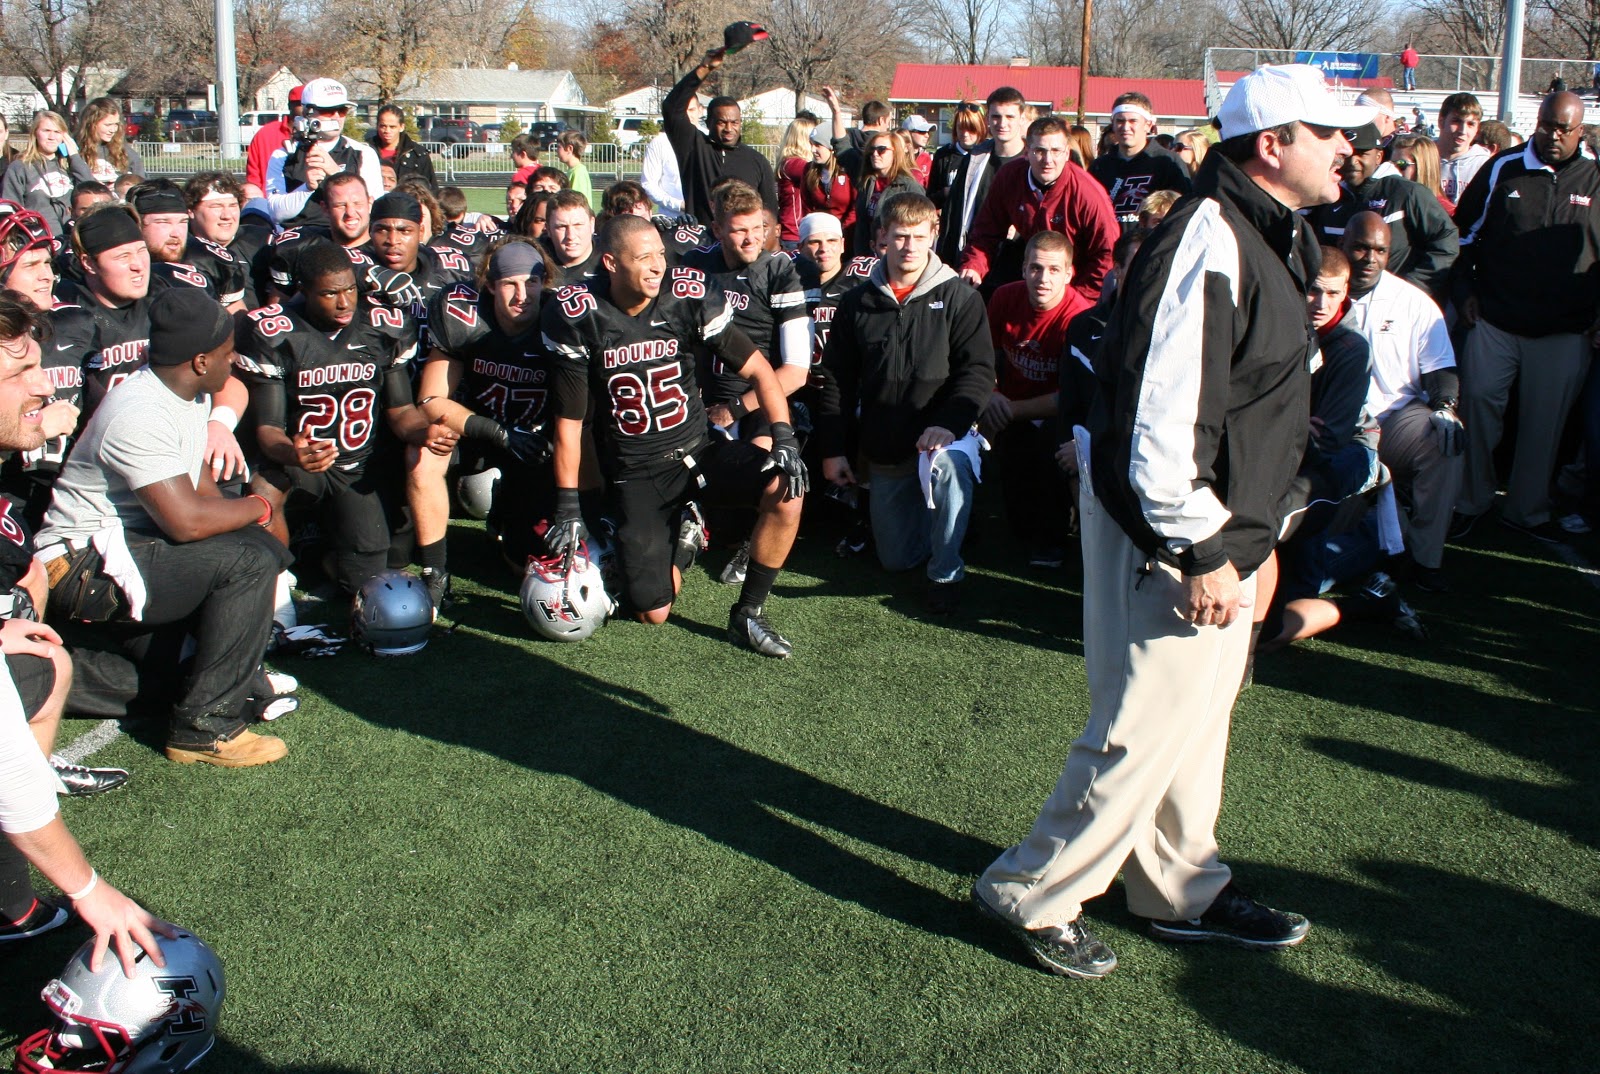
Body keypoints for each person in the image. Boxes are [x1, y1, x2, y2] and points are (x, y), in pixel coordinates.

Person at [973, 64, 1372, 979]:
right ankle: (1028, 893)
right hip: (1171, 529)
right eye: (1329, 130)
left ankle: (1176, 885)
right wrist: (1198, 548)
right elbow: (1161, 416)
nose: (1347, 146)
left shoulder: (1268, 232)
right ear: (1272, 145)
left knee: (1195, 722)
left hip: (1214, 530)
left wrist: (1253, 535)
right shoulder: (1210, 235)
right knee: (1141, 724)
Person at [36, 288, 295, 766]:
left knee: (184, 677)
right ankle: (205, 729)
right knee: (250, 560)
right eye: (226, 354)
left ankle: (42, 677)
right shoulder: (140, 411)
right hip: (79, 564)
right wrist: (261, 507)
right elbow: (188, 522)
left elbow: (203, 498)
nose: (233, 361)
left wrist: (251, 528)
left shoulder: (187, 395)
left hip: (129, 549)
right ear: (199, 361)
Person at [541, 213, 808, 657]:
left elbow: (760, 369)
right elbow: (570, 423)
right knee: (653, 612)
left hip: (699, 449)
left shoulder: (685, 296)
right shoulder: (577, 313)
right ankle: (688, 535)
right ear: (610, 262)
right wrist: (568, 505)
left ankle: (748, 614)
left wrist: (782, 437)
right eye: (643, 257)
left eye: (660, 254)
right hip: (637, 471)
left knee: (788, 489)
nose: (657, 266)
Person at [818, 193, 995, 614]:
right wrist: (833, 449)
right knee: (895, 559)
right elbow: (835, 379)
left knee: (949, 467)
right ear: (882, 237)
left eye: (919, 236)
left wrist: (950, 424)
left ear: (934, 235)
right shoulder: (856, 302)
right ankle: (943, 526)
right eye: (900, 236)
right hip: (887, 444)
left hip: (945, 435)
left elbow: (978, 373)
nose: (910, 246)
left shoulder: (959, 297)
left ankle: (945, 571)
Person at [238, 241, 434, 599]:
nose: (344, 303)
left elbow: (400, 410)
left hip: (357, 467)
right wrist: (293, 453)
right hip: (300, 465)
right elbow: (267, 428)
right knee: (265, 487)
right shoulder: (277, 332)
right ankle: (274, 593)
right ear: (304, 290)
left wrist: (425, 432)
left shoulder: (380, 325)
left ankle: (318, 553)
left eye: (349, 290)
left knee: (366, 581)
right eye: (330, 294)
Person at [1450, 91, 1600, 544]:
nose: (1553, 136)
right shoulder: (1503, 167)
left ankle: (1526, 510)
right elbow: (1461, 237)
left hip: (1564, 329)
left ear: (1580, 131)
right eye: (1546, 125)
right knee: (1476, 406)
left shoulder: (1596, 177)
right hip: (1496, 319)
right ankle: (1469, 500)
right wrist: (1466, 290)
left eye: (1563, 129)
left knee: (1544, 425)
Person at [412, 237, 554, 575]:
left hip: (535, 440)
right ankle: (435, 572)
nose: (523, 295)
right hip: (477, 428)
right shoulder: (465, 314)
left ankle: (506, 512)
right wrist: (498, 433)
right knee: (423, 456)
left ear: (544, 282)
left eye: (531, 282)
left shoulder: (559, 318)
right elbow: (431, 399)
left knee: (523, 563)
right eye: (510, 284)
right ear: (490, 285)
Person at [1341, 212, 1462, 591]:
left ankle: (1424, 561)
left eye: (1379, 250)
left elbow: (1440, 368)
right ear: (1343, 245)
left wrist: (1445, 408)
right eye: (1360, 247)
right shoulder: (1321, 290)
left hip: (1395, 417)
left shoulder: (1412, 301)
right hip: (1335, 422)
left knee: (1444, 441)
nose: (1369, 258)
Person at [981, 231, 1094, 566]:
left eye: (1054, 270)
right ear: (1023, 268)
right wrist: (991, 393)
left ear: (1069, 273)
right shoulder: (1004, 298)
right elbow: (983, 356)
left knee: (1051, 448)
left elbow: (1071, 397)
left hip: (1059, 416)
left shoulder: (1080, 317)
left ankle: (1056, 535)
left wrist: (1011, 409)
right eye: (1035, 268)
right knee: (1017, 520)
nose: (1043, 278)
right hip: (1010, 407)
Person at [683, 180, 812, 451]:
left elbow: (796, 371)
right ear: (717, 230)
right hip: (699, 398)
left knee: (768, 472)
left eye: (758, 228)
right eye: (740, 230)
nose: (752, 238)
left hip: (757, 401)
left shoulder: (779, 271)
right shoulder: (695, 266)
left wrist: (734, 409)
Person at [959, 116, 1117, 299]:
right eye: (1040, 151)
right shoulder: (1009, 177)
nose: (1048, 160)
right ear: (1026, 151)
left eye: (1056, 151)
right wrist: (974, 266)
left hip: (1075, 285)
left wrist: (1078, 301)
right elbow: (986, 232)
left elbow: (1107, 254)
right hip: (1030, 278)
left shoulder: (1088, 193)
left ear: (1067, 153)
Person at [1306, 123, 1457, 303]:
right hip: (1335, 306)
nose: (1353, 161)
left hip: (1392, 308)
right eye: (1349, 154)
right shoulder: (1326, 195)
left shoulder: (1406, 192)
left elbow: (1446, 240)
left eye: (1362, 154)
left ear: (1378, 156)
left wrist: (1412, 287)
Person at [662, 43, 779, 226]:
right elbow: (672, 108)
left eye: (734, 123)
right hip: (703, 242)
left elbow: (769, 215)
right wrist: (704, 68)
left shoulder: (757, 161)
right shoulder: (694, 148)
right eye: (722, 122)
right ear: (708, 123)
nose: (728, 129)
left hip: (741, 245)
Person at [937, 87, 1029, 268]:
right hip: (975, 263)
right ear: (987, 119)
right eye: (996, 117)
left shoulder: (1033, 163)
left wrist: (1020, 228)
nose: (1002, 124)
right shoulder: (973, 160)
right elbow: (952, 216)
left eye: (1010, 117)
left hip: (1018, 265)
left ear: (1022, 119)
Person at [262, 78, 383, 208]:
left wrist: (337, 174)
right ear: (307, 113)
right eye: (328, 110)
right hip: (298, 227)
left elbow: (374, 208)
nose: (336, 116)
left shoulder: (363, 153)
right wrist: (307, 188)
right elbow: (276, 213)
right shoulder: (283, 155)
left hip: (348, 227)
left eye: (342, 110)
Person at [1088, 92, 1192, 231]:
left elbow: (1182, 213)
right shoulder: (1100, 166)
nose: (1125, 127)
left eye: (1133, 121)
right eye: (1120, 121)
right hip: (1110, 248)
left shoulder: (1167, 163)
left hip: (1150, 247)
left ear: (1148, 125)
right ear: (1112, 124)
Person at [2, 112, 84, 236]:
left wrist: (74, 156)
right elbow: (9, 210)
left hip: (71, 240)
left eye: (57, 132)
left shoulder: (70, 166)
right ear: (35, 133)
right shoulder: (19, 167)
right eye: (46, 131)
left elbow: (91, 191)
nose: (52, 137)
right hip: (38, 242)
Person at [852, 131, 923, 255]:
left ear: (896, 153)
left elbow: (919, 227)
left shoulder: (909, 186)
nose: (875, 154)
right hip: (866, 254)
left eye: (881, 149)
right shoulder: (867, 183)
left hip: (895, 255)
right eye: (871, 150)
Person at [642, 96, 701, 217]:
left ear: (700, 110)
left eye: (691, 110)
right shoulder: (660, 143)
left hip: (706, 219)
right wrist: (679, 205)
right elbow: (648, 184)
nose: (687, 115)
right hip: (672, 220)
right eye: (682, 111)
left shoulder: (709, 140)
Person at [244, 84, 303, 200]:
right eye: (301, 104)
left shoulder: (322, 137)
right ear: (290, 105)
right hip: (271, 203)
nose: (307, 109)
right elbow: (254, 175)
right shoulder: (265, 134)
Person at [71, 99, 144, 185]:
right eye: (108, 125)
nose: (113, 130)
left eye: (116, 124)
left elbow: (141, 182)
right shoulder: (74, 149)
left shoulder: (125, 151)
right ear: (91, 124)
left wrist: (120, 186)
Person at [928, 103, 985, 211]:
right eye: (961, 128)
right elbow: (930, 199)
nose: (965, 134)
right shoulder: (943, 155)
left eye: (971, 129)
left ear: (980, 128)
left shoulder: (988, 155)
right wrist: (946, 193)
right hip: (950, 222)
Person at [1435, 92, 1490, 203]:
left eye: (1471, 124)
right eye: (1456, 121)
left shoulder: (1485, 165)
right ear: (1441, 122)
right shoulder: (1421, 156)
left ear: (1477, 129)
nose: (1462, 131)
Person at [367, 103, 436, 191]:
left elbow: (432, 190)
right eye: (383, 126)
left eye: (392, 127)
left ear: (401, 127)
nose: (387, 131)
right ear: (377, 126)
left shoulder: (418, 154)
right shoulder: (366, 151)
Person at [540, 190, 602, 284]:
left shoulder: (610, 261)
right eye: (562, 227)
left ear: (592, 224)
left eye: (578, 225)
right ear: (548, 229)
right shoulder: (535, 259)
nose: (570, 236)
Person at [775, 115, 819, 247]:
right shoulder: (792, 163)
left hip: (799, 231)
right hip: (794, 233)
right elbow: (818, 173)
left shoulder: (788, 162)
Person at [1388, 133, 1453, 215]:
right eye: (1391, 164)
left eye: (1401, 164)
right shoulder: (1390, 202)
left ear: (1422, 167)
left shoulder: (1446, 211)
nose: (1394, 169)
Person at [555, 130, 594, 210]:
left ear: (569, 148)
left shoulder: (578, 172)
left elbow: (577, 201)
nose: (556, 151)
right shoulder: (573, 170)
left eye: (558, 147)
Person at [902, 115, 934, 188]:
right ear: (908, 133)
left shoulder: (926, 158)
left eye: (928, 132)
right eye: (922, 131)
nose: (927, 135)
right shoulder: (896, 156)